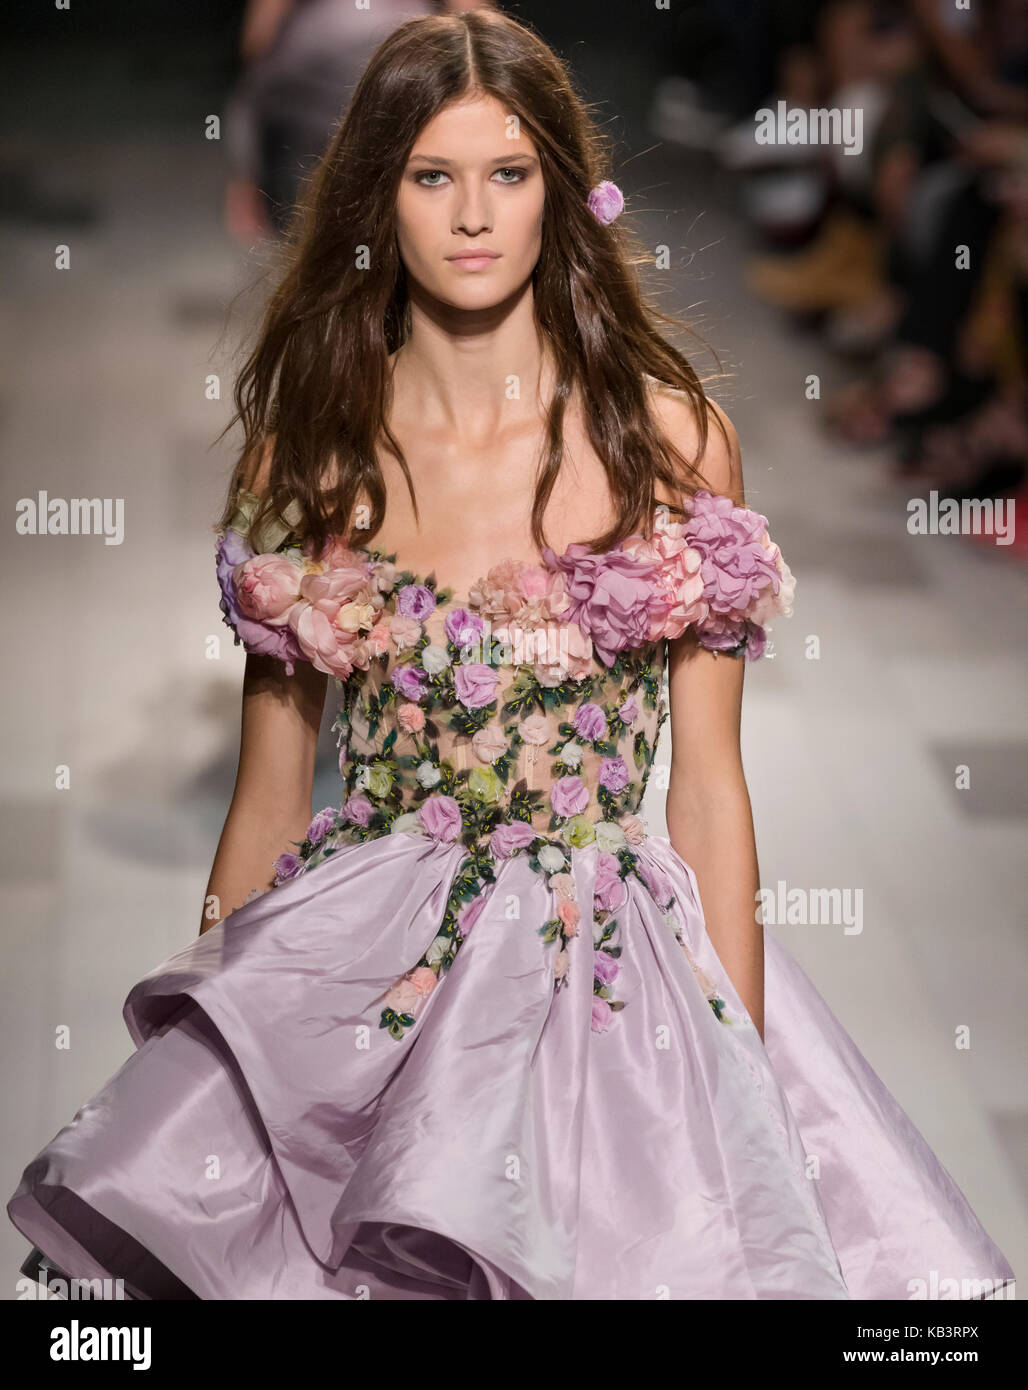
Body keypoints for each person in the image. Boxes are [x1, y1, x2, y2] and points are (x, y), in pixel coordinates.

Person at [7, 9, 1015, 1301]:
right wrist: (219, 1058)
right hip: (377, 985)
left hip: (614, 999)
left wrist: (742, 1083)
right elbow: (269, 797)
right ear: (378, 194)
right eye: (433, 176)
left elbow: (710, 790)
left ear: (563, 190)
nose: (474, 216)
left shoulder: (669, 443)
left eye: (509, 173)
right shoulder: (315, 456)